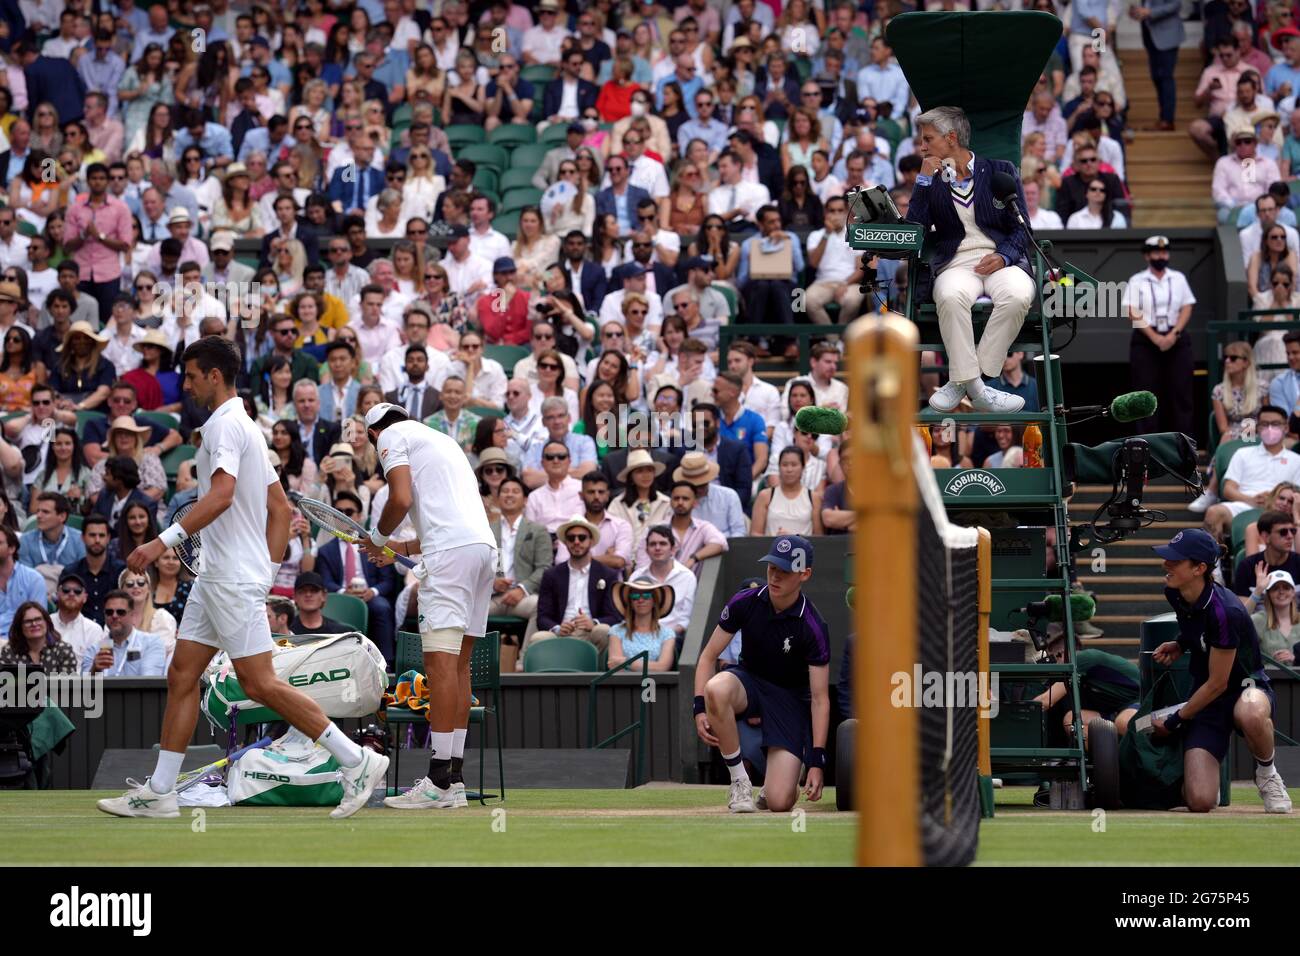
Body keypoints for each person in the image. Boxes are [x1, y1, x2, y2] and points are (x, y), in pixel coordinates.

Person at [99, 337, 389, 820]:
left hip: (229, 579)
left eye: (191, 375)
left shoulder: (224, 427)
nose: (186, 384)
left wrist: (159, 543)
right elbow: (280, 508)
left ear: (214, 376)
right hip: (224, 576)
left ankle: (355, 760)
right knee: (182, 674)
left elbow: (221, 496)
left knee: (258, 683)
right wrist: (266, 571)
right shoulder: (247, 427)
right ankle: (162, 791)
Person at [361, 402, 497, 812]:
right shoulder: (443, 442)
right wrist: (398, 547)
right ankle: (453, 780)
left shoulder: (388, 438)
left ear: (373, 435)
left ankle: (438, 780)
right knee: (458, 667)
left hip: (451, 558)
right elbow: (449, 520)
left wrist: (378, 536)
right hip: (483, 551)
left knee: (440, 667)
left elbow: (400, 498)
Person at [1151, 529, 1292, 813]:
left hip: (1247, 687)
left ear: (1199, 569)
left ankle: (1267, 774)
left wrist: (1176, 719)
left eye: (1175, 561)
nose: (1166, 564)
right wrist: (1181, 643)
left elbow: (1218, 683)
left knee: (1250, 712)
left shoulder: (1226, 611)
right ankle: (1204, 777)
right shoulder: (1175, 593)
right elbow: (1197, 630)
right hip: (1209, 697)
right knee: (1200, 801)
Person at [911, 106, 1034, 414]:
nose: (922, 146)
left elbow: (1023, 228)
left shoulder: (999, 170)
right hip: (956, 262)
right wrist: (923, 182)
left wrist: (1004, 256)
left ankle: (964, 382)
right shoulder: (931, 178)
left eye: (928, 139)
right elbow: (915, 229)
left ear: (951, 138)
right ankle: (980, 390)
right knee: (950, 296)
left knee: (1019, 295)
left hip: (1000, 258)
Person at [694, 535, 829, 813]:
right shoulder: (745, 602)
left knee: (780, 803)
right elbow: (707, 657)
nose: (775, 577)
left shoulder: (813, 626)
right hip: (749, 682)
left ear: (805, 574)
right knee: (716, 689)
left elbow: (819, 699)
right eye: (772, 568)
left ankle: (786, 773)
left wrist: (817, 760)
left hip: (789, 699)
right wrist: (699, 709)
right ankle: (739, 782)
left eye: (785, 571)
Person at [521, 515, 622, 668]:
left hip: (591, 632)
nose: (576, 542)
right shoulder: (552, 575)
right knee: (538, 638)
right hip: (560, 632)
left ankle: (600, 680)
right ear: (565, 542)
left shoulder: (607, 574)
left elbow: (615, 615)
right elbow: (542, 616)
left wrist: (593, 623)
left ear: (591, 541)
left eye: (582, 537)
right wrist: (558, 627)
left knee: (604, 630)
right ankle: (543, 687)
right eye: (571, 538)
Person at [1123, 236, 1197, 437]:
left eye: (1164, 252)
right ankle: (1147, 446)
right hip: (1147, 338)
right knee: (1146, 395)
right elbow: (1131, 310)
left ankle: (1184, 446)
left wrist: (1174, 334)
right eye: (1156, 252)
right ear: (1147, 255)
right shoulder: (1137, 280)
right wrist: (1155, 337)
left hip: (1176, 335)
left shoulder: (1178, 277)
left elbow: (1187, 306)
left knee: (1181, 393)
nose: (1161, 256)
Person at [315, 492, 398, 663]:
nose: (343, 516)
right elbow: (325, 582)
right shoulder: (325, 551)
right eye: (338, 512)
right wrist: (344, 592)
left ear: (359, 516)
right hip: (341, 598)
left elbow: (388, 580)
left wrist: (372, 592)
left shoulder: (375, 546)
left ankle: (387, 664)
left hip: (370, 597)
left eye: (349, 512)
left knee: (382, 607)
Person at [488, 476, 550, 640]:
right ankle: (471, 662)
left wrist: (522, 589)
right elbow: (476, 566)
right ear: (498, 498)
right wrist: (492, 582)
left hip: (523, 596)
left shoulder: (538, 530)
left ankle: (524, 661)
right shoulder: (486, 530)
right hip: (493, 596)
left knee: (541, 605)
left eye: (515, 491)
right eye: (505, 491)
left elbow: (545, 567)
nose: (509, 495)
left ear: (525, 499)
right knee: (465, 608)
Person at [81, 589, 167, 676]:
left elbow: (149, 683)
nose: (114, 616)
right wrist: (94, 670)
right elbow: (84, 688)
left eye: (120, 612)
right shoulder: (94, 649)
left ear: (132, 615)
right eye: (109, 612)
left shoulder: (151, 643)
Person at [63, 514, 125, 625]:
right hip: (80, 633)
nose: (97, 540)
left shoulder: (121, 570)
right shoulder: (70, 572)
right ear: (83, 537)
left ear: (108, 538)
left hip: (114, 631)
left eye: (101, 535)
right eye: (92, 535)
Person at [609, 578, 677, 672]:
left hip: (655, 685)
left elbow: (663, 667)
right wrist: (650, 666)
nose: (640, 600)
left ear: (654, 601)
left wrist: (627, 662)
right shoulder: (616, 631)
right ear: (631, 603)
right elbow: (614, 666)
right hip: (623, 685)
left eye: (646, 595)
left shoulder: (667, 634)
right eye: (635, 596)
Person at [0, 601, 80, 672]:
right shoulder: (9, 651)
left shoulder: (63, 650)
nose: (34, 624)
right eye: (28, 621)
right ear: (20, 627)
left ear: (46, 622)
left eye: (38, 619)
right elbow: (6, 686)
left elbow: (68, 686)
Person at [49, 569, 106, 666]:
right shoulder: (45, 623)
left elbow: (96, 669)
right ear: (57, 593)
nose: (71, 594)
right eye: (66, 590)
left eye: (77, 591)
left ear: (85, 598)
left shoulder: (94, 630)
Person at [288, 571, 353, 635]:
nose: (308, 594)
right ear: (295, 597)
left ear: (324, 595)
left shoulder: (341, 632)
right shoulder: (286, 630)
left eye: (314, 590)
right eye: (302, 591)